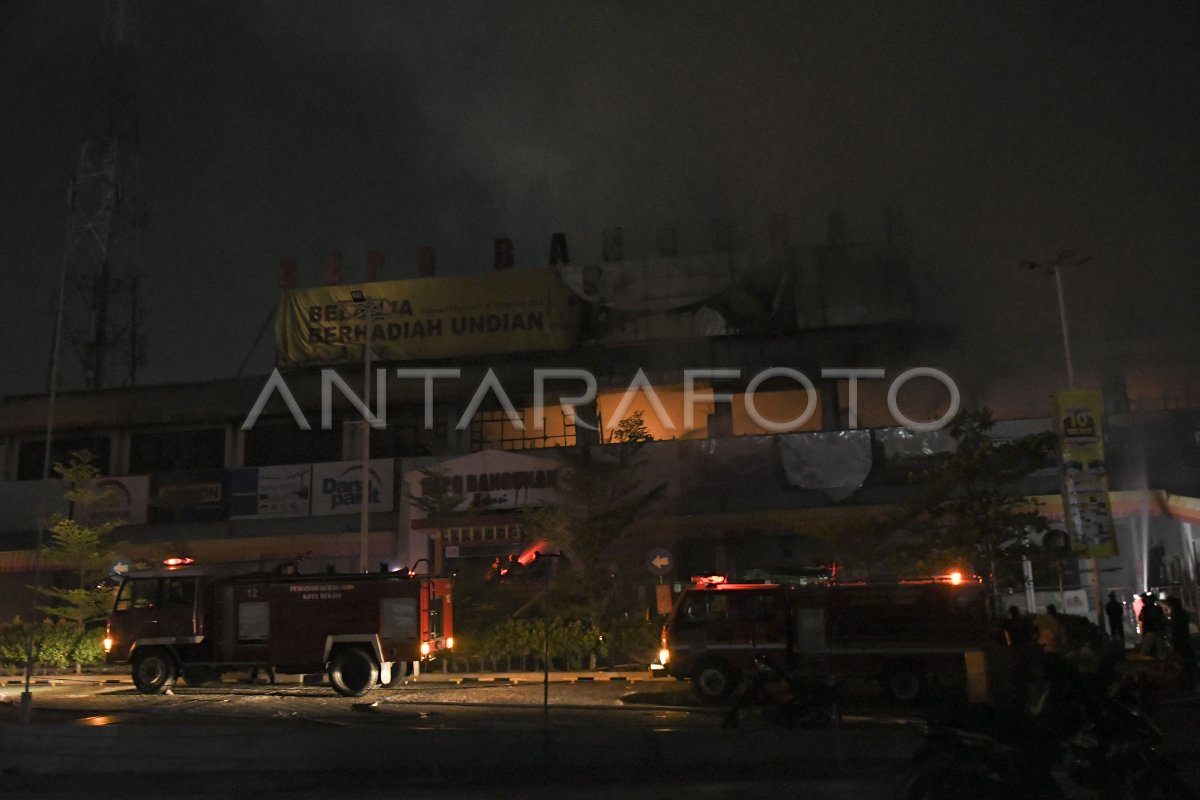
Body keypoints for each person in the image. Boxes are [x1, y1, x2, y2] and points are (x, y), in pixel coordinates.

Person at [1164, 597, 1196, 691]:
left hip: (1180, 641)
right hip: (1184, 640)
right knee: (1186, 662)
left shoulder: (1176, 614)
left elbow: (1176, 629)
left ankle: (1186, 683)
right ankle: (1190, 682)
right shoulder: (1182, 613)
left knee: (1183, 662)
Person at [1138, 594, 1167, 658]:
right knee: (1160, 649)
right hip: (1159, 630)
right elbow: (1163, 619)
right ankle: (1161, 661)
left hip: (1149, 630)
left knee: (1145, 649)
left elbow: (1141, 618)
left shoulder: (1145, 609)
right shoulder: (1158, 608)